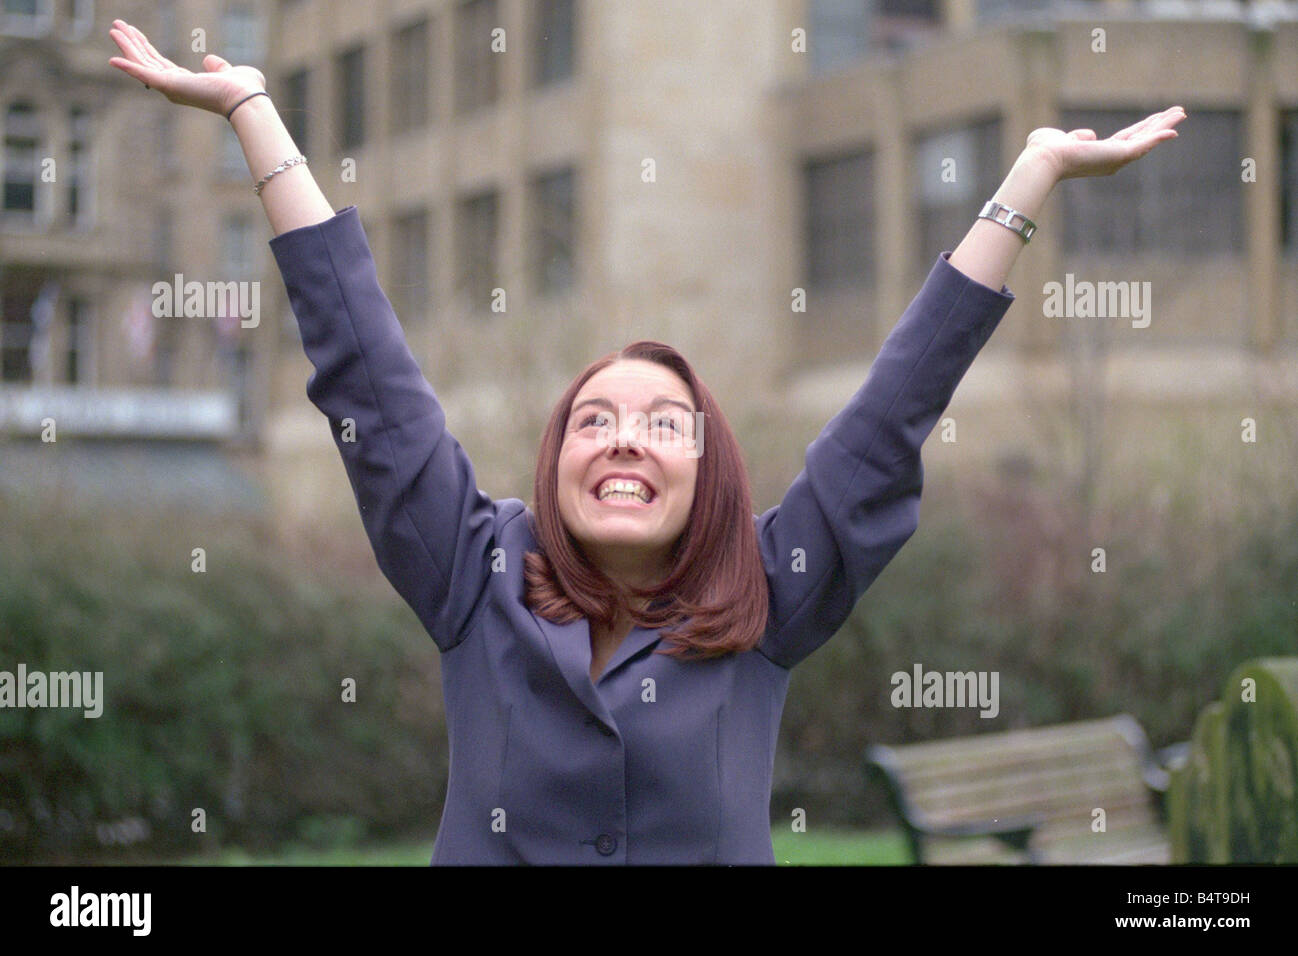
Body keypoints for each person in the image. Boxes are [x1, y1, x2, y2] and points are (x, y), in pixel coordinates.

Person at [109, 19, 1184, 864]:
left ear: (705, 472)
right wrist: (253, 109)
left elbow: (891, 413)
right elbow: (368, 374)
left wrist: (1030, 175)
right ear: (555, 464)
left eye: (665, 424)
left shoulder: (770, 589)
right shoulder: (470, 569)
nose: (625, 441)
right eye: (595, 420)